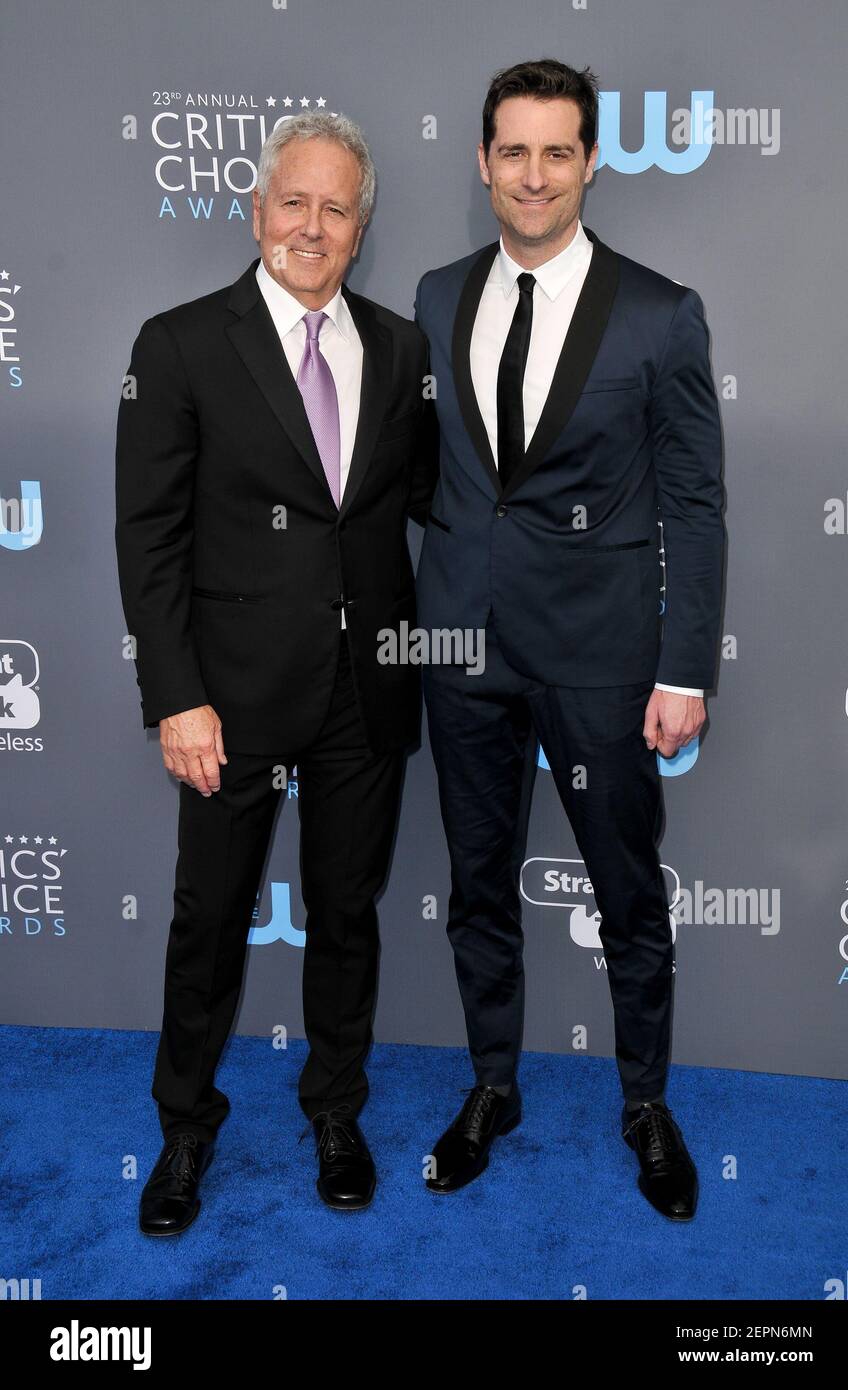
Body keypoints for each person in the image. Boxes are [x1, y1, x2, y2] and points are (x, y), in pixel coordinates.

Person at [413, 58, 725, 1220]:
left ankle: (644, 1103)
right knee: (476, 885)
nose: (533, 176)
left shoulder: (658, 310)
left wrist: (683, 664)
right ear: (482, 162)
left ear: (591, 162)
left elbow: (694, 503)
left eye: (556, 152)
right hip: (458, 649)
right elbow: (438, 477)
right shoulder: (439, 294)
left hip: (601, 656)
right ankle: (491, 1083)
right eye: (512, 152)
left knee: (627, 891)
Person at [115, 112, 436, 1232]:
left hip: (367, 689)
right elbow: (147, 537)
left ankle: (334, 1112)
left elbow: (428, 505)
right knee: (209, 918)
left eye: (335, 208)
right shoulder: (181, 342)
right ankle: (184, 1131)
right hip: (228, 695)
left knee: (347, 912)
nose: (311, 224)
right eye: (292, 202)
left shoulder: (401, 349)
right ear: (256, 214)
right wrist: (175, 693)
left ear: (360, 229)